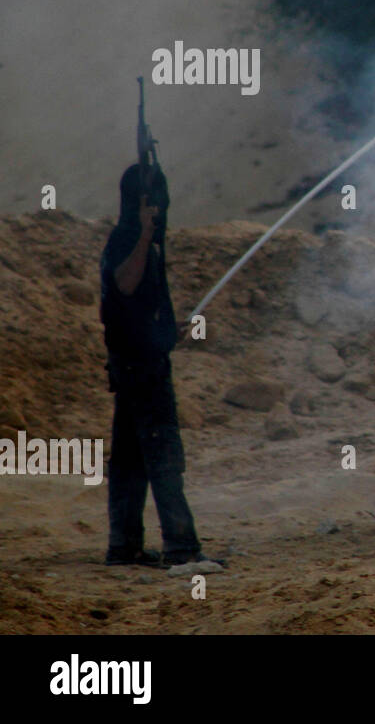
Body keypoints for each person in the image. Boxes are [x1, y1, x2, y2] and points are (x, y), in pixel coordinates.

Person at [100, 163, 212, 565]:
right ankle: (182, 549)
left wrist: (165, 331)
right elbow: (125, 283)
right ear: (139, 202)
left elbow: (136, 306)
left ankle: (124, 546)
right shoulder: (127, 239)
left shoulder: (143, 242)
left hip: (138, 364)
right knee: (164, 458)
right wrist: (146, 234)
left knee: (130, 460)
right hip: (140, 371)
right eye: (153, 197)